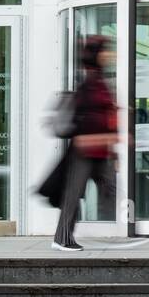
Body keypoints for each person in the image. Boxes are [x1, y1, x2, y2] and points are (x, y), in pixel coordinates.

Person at [47, 36, 119, 252]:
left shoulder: (99, 80)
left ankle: (126, 223)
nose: (110, 55)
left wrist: (114, 151)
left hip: (99, 150)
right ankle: (62, 239)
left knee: (109, 187)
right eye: (105, 51)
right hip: (84, 151)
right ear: (96, 54)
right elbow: (89, 118)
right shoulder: (90, 83)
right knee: (73, 194)